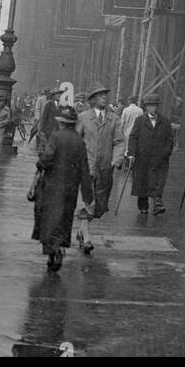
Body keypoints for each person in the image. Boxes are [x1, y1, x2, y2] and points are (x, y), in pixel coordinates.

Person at [32, 105, 94, 273]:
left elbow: (47, 158)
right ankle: (59, 245)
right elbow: (84, 168)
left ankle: (53, 250)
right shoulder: (79, 142)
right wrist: (88, 194)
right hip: (70, 188)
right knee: (65, 218)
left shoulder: (56, 136)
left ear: (61, 122)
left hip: (53, 186)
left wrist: (40, 163)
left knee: (50, 218)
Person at [76, 84, 125, 218]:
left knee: (100, 205)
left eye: (105, 94)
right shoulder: (83, 117)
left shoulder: (114, 119)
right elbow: (76, 140)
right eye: (100, 95)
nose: (104, 97)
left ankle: (84, 228)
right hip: (86, 165)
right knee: (86, 200)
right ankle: (84, 232)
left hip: (105, 168)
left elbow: (119, 142)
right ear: (93, 99)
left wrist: (116, 160)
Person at [126, 95, 174, 215]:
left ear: (157, 107)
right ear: (146, 107)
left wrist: (166, 152)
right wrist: (131, 153)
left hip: (159, 158)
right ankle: (143, 207)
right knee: (142, 181)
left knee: (157, 181)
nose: (152, 108)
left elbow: (170, 139)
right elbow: (133, 137)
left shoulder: (165, 122)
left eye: (154, 105)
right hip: (143, 157)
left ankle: (158, 204)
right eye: (150, 106)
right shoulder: (140, 121)